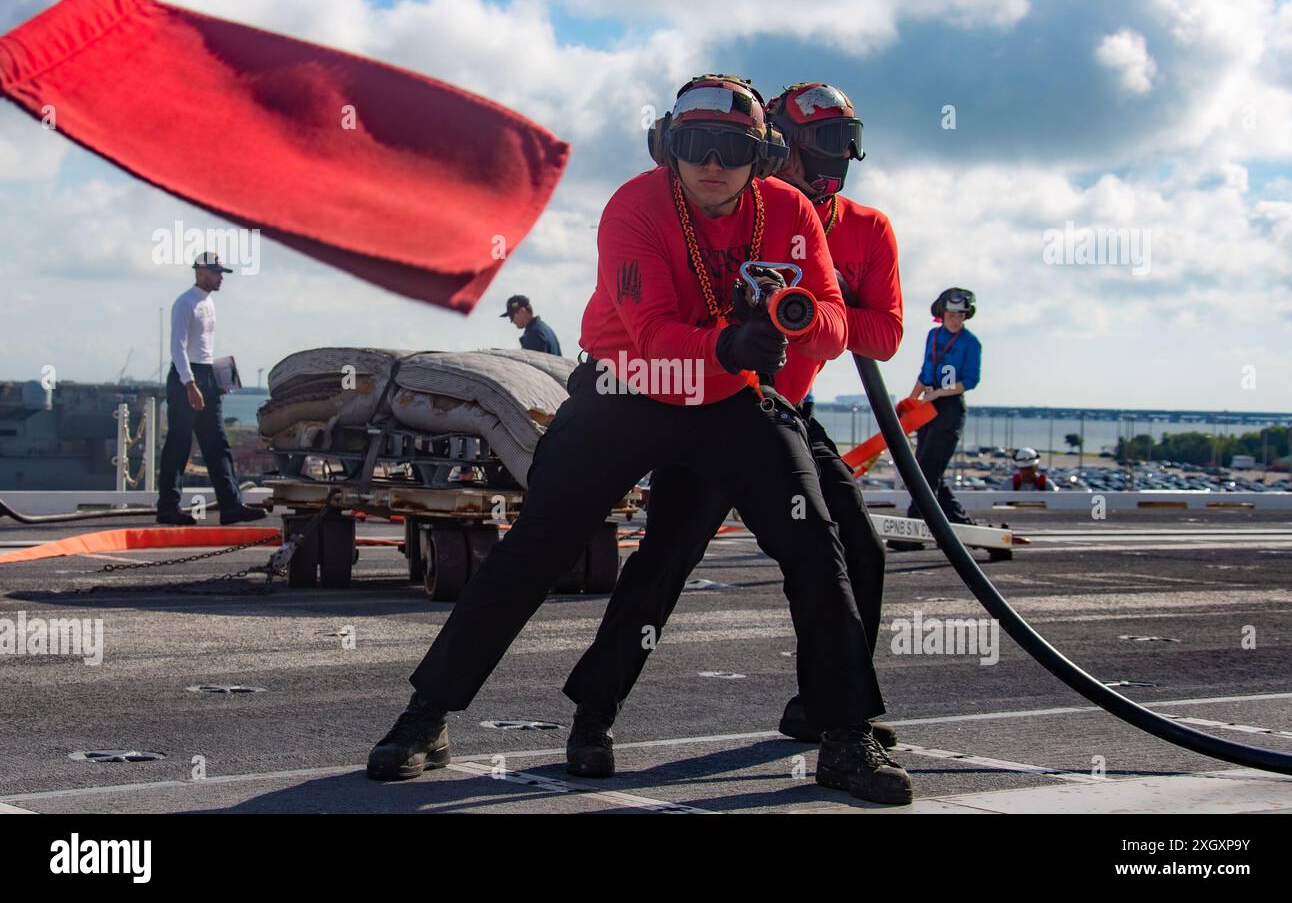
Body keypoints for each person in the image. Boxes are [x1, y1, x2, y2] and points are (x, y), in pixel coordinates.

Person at [366, 74, 912, 805]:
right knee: (538, 548)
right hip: (630, 388)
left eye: (731, 148)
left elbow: (845, 325)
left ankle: (845, 736)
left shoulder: (787, 212)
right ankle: (425, 717)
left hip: (732, 400)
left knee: (819, 544)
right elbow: (652, 338)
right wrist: (733, 342)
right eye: (694, 145)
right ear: (667, 147)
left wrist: (798, 317)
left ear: (763, 155)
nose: (711, 162)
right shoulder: (635, 206)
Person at [561, 81, 906, 768]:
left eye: (843, 145)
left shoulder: (864, 229)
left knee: (854, 550)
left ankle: (830, 711)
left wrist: (803, 313)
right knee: (666, 561)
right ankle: (594, 714)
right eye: (819, 147)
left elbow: (883, 335)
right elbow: (666, 318)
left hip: (787, 414)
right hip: (719, 401)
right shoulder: (744, 212)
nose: (829, 162)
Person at [156, 253, 264, 527]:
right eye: (217, 273)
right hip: (187, 378)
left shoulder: (209, 302)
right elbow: (177, 348)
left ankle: (231, 506)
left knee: (217, 443)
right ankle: (168, 508)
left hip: (206, 375)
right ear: (201, 272)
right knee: (179, 444)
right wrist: (190, 384)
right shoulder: (185, 303)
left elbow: (204, 348)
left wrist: (218, 381)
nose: (221, 278)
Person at [892, 288, 981, 545]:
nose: (955, 319)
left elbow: (971, 380)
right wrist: (912, 400)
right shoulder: (933, 335)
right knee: (925, 468)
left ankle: (912, 532)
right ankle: (959, 523)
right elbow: (925, 371)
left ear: (966, 316)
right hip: (927, 407)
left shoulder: (971, 342)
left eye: (960, 315)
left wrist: (940, 393)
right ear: (942, 313)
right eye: (951, 314)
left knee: (928, 471)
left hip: (950, 408)